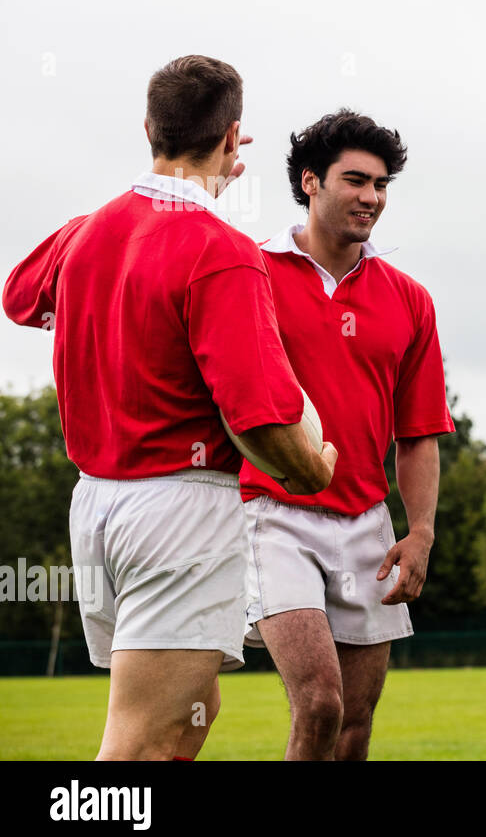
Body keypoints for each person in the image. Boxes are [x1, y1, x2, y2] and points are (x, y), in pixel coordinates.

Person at [2, 55, 337, 760]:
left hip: (98, 505)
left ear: (149, 128)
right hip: (176, 515)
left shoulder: (85, 231)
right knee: (141, 748)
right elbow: (260, 419)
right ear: (232, 139)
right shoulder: (222, 251)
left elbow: (19, 296)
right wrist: (314, 469)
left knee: (190, 714)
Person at [240, 110, 454, 760]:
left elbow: (418, 435)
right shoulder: (249, 273)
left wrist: (419, 531)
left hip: (367, 524)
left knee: (354, 726)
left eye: (381, 184)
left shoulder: (410, 299)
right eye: (355, 180)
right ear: (310, 181)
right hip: (273, 514)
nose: (371, 197)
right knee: (320, 701)